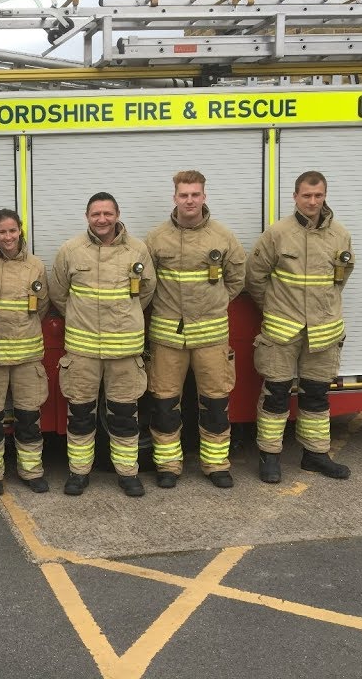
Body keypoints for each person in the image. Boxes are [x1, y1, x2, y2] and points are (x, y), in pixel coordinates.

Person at [246, 170, 355, 483]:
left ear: (324, 196)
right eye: (306, 195)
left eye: (318, 195)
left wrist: (323, 306)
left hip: (324, 330)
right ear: (295, 197)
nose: (312, 201)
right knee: (276, 394)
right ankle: (269, 457)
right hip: (282, 330)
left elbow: (342, 276)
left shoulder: (340, 234)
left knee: (317, 396)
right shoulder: (277, 233)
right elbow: (255, 276)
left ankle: (316, 455)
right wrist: (274, 307)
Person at [144, 171, 247, 490]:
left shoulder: (223, 236)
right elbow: (147, 284)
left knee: (215, 403)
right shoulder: (156, 238)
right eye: (184, 195)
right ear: (174, 198)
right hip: (167, 337)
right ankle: (168, 465)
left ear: (204, 197)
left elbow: (236, 279)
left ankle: (216, 464)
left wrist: (211, 306)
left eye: (195, 194)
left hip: (211, 337)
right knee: (164, 404)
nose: (190, 200)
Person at [49, 192, 155, 498]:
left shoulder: (137, 250)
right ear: (87, 217)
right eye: (96, 214)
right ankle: (79, 473)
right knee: (80, 414)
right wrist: (81, 319)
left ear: (118, 214)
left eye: (108, 213)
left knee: (124, 414)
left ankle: (128, 474)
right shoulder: (70, 250)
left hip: (124, 350)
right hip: (82, 350)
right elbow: (58, 293)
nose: (102, 219)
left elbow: (147, 290)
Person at [0, 209, 52, 496]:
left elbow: (41, 305)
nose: (8, 237)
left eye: (12, 230)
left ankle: (31, 471)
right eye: (2, 231)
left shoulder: (36, 266)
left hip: (27, 357)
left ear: (20, 231)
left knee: (29, 417)